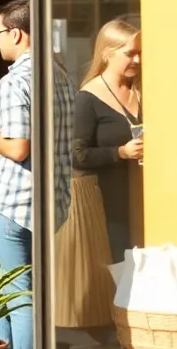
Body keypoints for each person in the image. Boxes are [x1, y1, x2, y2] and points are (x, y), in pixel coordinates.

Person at [0, 0, 72, 349]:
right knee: (27, 296)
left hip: (9, 205)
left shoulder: (13, 83)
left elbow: (18, 148)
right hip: (46, 205)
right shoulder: (60, 77)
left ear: (16, 33)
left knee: (10, 300)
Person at [54, 19, 142, 336]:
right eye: (130, 53)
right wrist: (120, 153)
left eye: (140, 53)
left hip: (147, 196)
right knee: (122, 266)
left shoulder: (144, 90)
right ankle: (123, 334)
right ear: (107, 53)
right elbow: (78, 155)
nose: (137, 60)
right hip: (110, 199)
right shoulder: (87, 99)